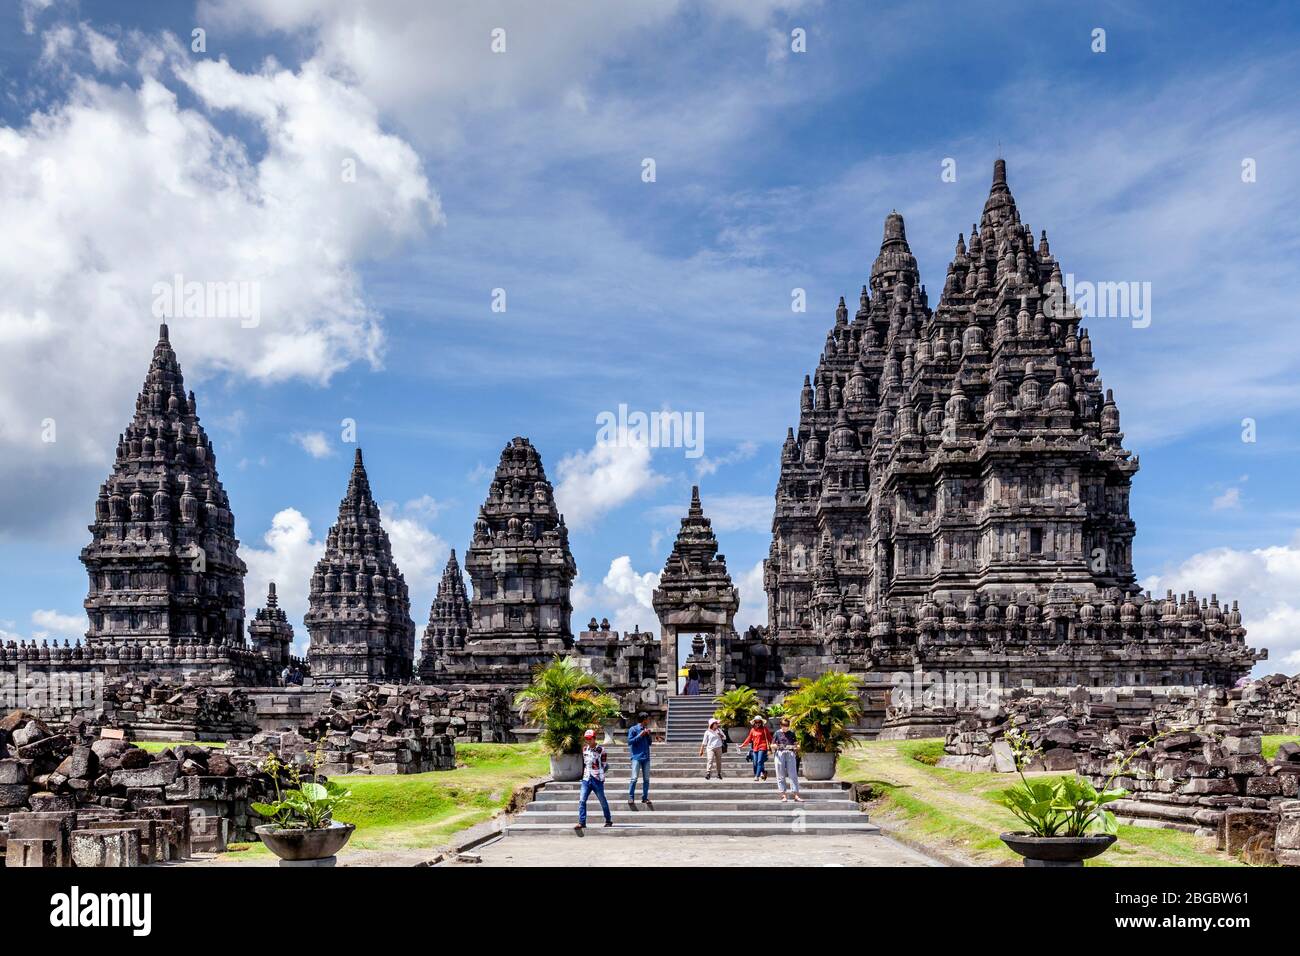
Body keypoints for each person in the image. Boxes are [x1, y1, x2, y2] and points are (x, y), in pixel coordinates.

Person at [575, 729, 613, 830]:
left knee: (602, 800)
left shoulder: (601, 750)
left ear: (594, 738)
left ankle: (608, 820)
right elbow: (585, 764)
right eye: (586, 739)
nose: (588, 741)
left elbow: (605, 765)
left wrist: (600, 775)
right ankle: (581, 822)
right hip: (586, 778)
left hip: (597, 779)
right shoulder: (584, 749)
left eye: (590, 739)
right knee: (582, 800)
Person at [772, 717, 803, 802]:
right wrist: (779, 746)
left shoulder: (792, 733)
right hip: (780, 754)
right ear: (781, 725)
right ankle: (783, 795)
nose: (785, 727)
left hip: (790, 753)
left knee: (793, 775)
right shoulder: (777, 733)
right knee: (780, 775)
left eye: (787, 725)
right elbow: (772, 745)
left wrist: (795, 747)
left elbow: (797, 745)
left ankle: (796, 795)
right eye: (784, 725)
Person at [626, 711, 652, 807]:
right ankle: (631, 797)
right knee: (634, 778)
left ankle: (644, 798)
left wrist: (648, 735)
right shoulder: (633, 729)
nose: (648, 720)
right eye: (647, 719)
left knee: (646, 779)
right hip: (636, 757)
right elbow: (629, 741)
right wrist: (640, 735)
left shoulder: (646, 729)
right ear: (644, 720)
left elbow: (650, 743)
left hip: (646, 757)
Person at [740, 715, 772, 781]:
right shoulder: (752, 730)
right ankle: (763, 772)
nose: (758, 724)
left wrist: (774, 744)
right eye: (756, 722)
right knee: (755, 763)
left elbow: (769, 738)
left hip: (763, 747)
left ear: (761, 723)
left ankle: (757, 776)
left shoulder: (764, 729)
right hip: (755, 748)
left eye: (759, 722)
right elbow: (749, 738)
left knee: (759, 761)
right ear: (754, 723)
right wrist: (742, 745)